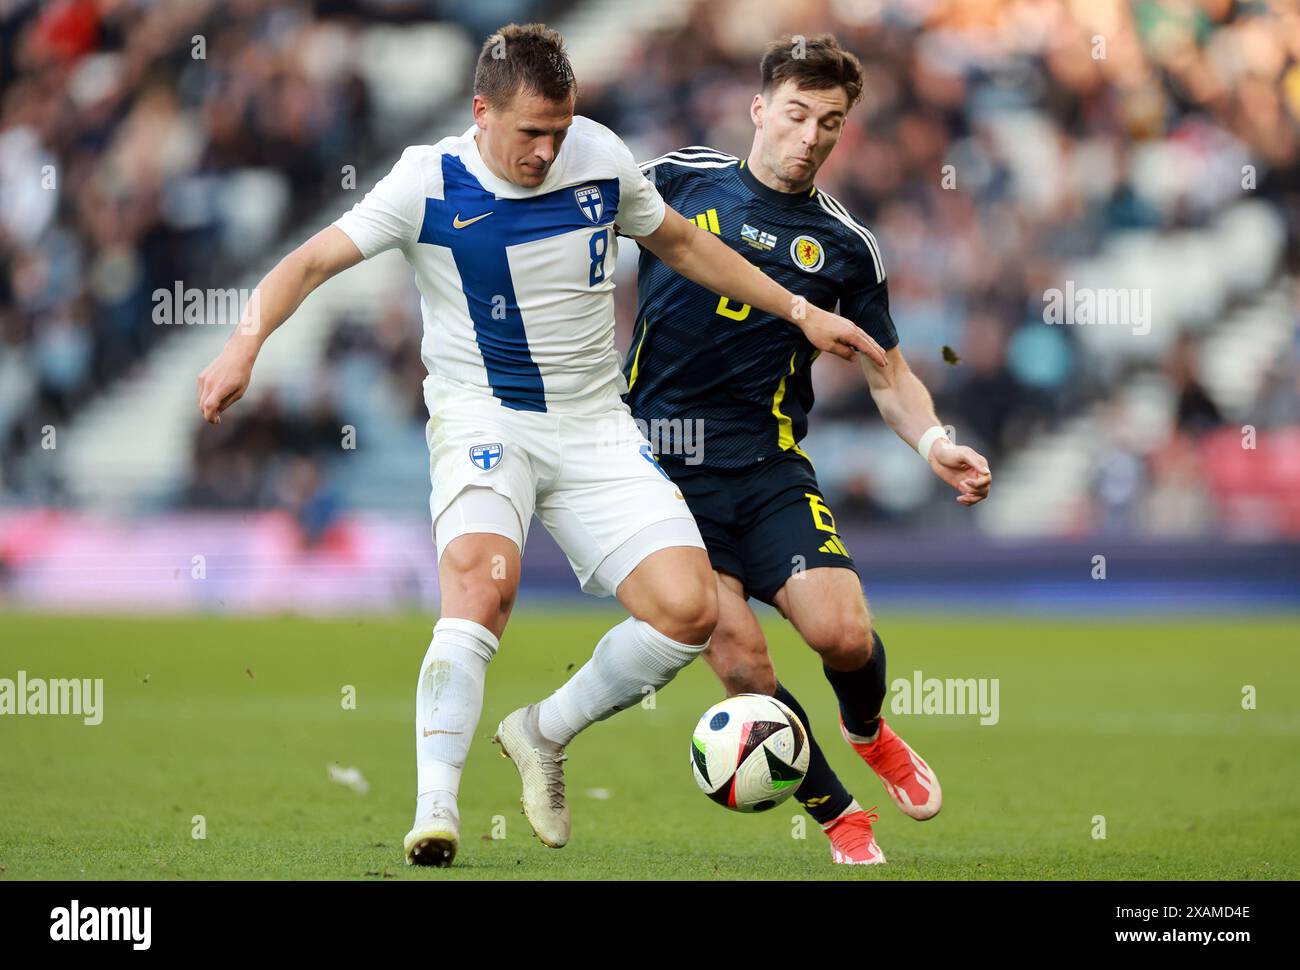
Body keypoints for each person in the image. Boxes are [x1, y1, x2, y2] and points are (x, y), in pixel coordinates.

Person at [194, 23, 886, 867]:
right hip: (486, 421)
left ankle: (542, 732)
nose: (548, 149)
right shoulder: (427, 181)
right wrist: (243, 345)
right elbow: (306, 264)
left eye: (559, 130)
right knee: (484, 589)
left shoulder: (596, 155)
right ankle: (435, 810)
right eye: (530, 133)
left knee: (690, 611)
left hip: (597, 426)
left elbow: (681, 243)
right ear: (481, 113)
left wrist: (800, 310)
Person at [618, 34, 992, 864]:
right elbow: (581, 228)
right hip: (656, 473)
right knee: (740, 656)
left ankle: (869, 731)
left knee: (843, 635)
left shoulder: (847, 248)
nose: (810, 135)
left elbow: (889, 372)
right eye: (795, 113)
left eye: (830, 121)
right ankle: (837, 815)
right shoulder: (677, 178)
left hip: (765, 463)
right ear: (759, 110)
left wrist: (934, 440)